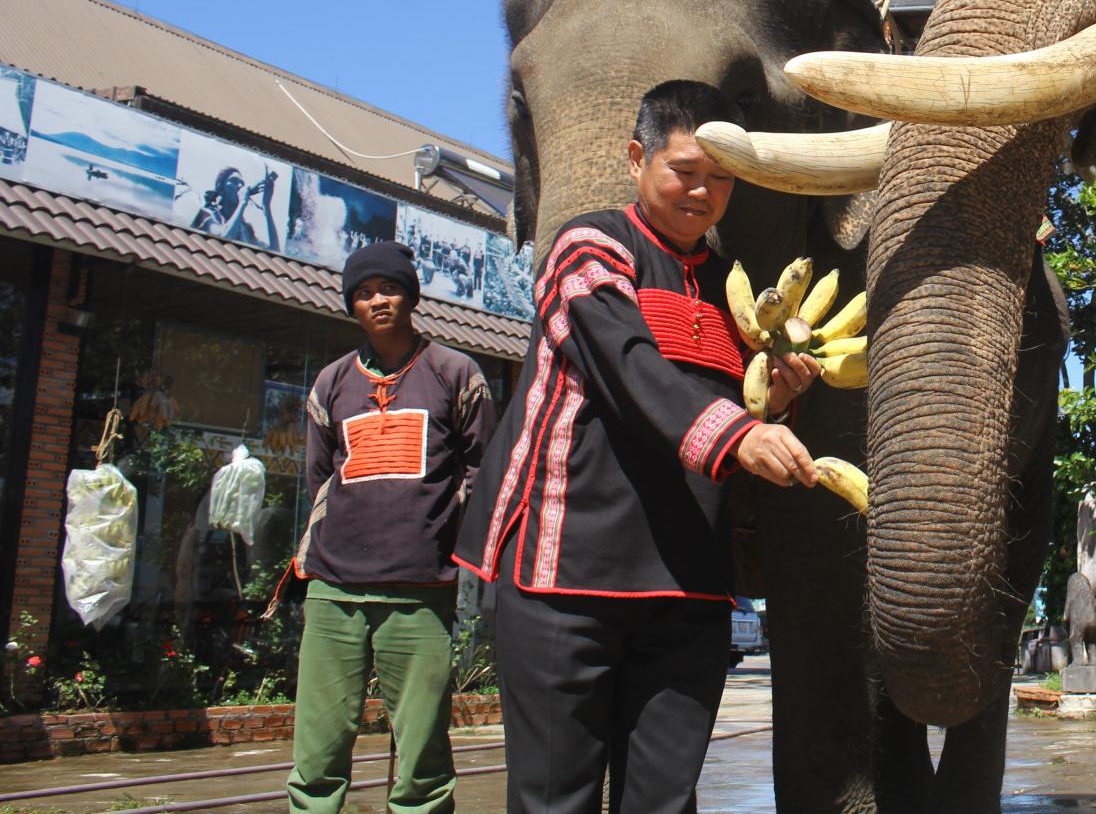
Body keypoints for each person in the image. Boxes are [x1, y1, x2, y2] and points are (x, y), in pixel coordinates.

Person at [455, 79, 822, 814]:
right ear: (636, 158)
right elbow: (626, 366)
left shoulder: (733, 287)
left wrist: (771, 399)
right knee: (555, 799)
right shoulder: (587, 247)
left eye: (721, 178)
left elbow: (724, 401)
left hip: (688, 586)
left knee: (664, 800)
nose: (703, 193)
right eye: (685, 171)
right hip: (565, 575)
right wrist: (739, 435)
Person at [285, 241, 497, 814]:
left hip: (421, 591)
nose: (377, 300)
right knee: (318, 749)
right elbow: (321, 478)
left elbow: (483, 470)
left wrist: (452, 546)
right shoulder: (330, 383)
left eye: (389, 288)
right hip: (334, 589)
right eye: (363, 292)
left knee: (423, 754)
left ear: (411, 296)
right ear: (351, 304)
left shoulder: (456, 374)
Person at [192, 165, 280, 249]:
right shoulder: (207, 214)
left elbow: (275, 250)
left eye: (242, 183)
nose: (240, 186)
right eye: (234, 181)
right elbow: (222, 241)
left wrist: (267, 206)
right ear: (220, 188)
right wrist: (243, 202)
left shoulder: (246, 229)